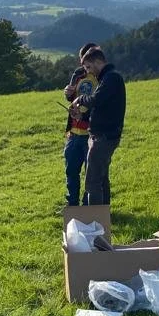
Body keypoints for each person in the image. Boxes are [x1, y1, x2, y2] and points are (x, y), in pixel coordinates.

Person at [71, 47, 126, 206]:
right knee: (101, 178)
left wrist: (80, 99)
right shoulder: (107, 78)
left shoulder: (111, 78)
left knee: (92, 183)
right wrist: (83, 116)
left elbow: (96, 99)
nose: (88, 72)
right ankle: (104, 217)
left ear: (98, 62)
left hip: (103, 138)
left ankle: (95, 223)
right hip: (102, 136)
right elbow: (102, 107)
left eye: (88, 67)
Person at [62, 43, 100, 206]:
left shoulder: (101, 77)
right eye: (82, 62)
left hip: (91, 133)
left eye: (86, 63)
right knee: (71, 170)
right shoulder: (77, 74)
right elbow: (72, 98)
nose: (83, 66)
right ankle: (72, 204)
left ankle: (87, 206)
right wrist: (68, 94)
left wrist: (85, 116)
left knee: (91, 174)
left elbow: (100, 103)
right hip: (74, 132)